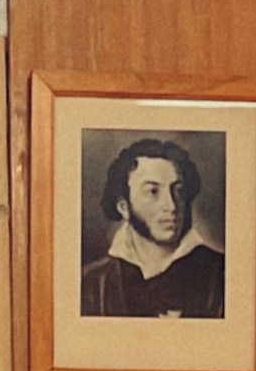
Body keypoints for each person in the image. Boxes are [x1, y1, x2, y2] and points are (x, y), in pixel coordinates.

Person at [80, 135, 225, 318]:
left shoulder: (222, 273)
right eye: (153, 191)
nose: (171, 206)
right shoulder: (90, 283)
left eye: (178, 191)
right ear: (124, 207)